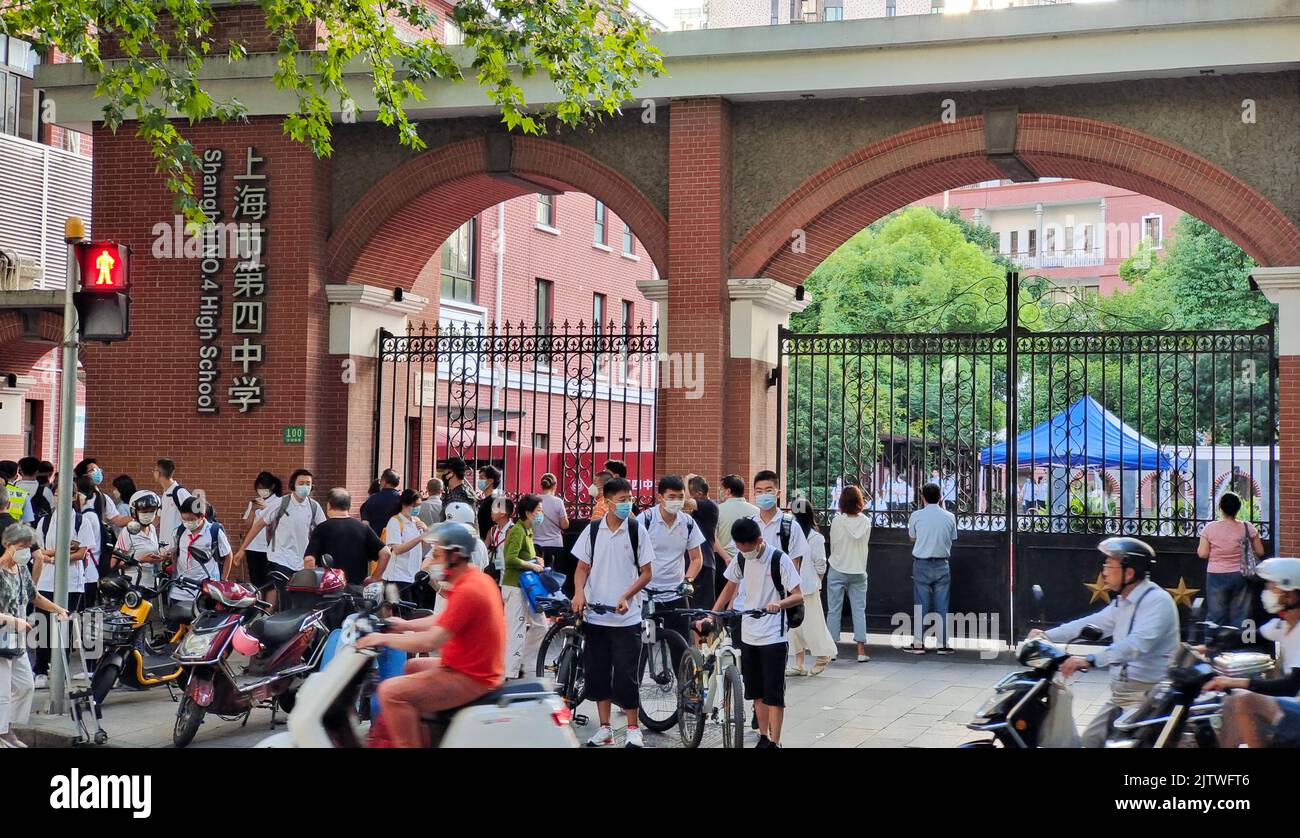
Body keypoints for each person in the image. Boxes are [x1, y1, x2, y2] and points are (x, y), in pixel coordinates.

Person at [358, 523, 506, 748]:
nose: (433, 561)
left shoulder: (469, 590)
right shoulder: (473, 579)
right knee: (412, 668)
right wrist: (403, 625)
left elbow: (432, 640)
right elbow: (444, 619)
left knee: (390, 692)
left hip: (472, 677)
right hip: (467, 667)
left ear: (455, 555)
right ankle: (430, 735)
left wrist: (383, 638)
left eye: (437, 555)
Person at [1029, 537, 1179, 748]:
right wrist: (1047, 636)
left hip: (1147, 697)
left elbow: (1136, 645)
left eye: (1110, 565)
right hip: (1120, 695)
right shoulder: (1123, 601)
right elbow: (1092, 622)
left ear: (1129, 572)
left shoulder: (1157, 601)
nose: (1104, 572)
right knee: (1090, 740)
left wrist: (1089, 660)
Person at [570, 476, 654, 748]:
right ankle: (605, 728)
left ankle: (633, 728)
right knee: (598, 674)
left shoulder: (636, 530)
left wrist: (627, 595)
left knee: (626, 676)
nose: (627, 504)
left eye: (629, 499)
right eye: (621, 500)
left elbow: (647, 573)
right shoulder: (593, 531)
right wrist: (579, 592)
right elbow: (582, 568)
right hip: (596, 616)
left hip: (627, 618)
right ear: (606, 502)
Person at [713, 516, 802, 748]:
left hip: (774, 634)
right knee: (756, 691)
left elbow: (798, 594)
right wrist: (713, 612)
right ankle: (763, 737)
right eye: (740, 548)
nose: (745, 552)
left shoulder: (779, 560)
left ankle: (775, 740)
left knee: (774, 693)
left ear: (759, 540)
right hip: (749, 632)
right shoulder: (742, 558)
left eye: (748, 548)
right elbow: (730, 584)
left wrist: (779, 604)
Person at [1205, 557, 1300, 748]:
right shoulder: (1283, 625)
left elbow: (1291, 686)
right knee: (1230, 702)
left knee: (1244, 699)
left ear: (1290, 594)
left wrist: (1235, 682)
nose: (1266, 592)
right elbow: (1246, 637)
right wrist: (1208, 647)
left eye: (1272, 586)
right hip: (1294, 705)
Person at [1, 524, 69, 747]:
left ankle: (9, 727)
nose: (26, 552)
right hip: (3, 636)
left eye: (28, 547)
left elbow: (35, 596)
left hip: (17, 639)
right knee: (2, 690)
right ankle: (3, 733)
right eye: (22, 547)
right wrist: (15, 621)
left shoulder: (21, 570)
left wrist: (58, 609)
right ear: (8, 545)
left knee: (25, 685)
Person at [31, 482, 97, 687]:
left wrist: (54, 554)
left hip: (72, 582)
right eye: (57, 494)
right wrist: (62, 552)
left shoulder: (81, 521)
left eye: (64, 494)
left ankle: (61, 666)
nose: (59, 498)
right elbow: (39, 552)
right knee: (43, 624)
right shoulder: (45, 521)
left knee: (66, 625)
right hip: (46, 579)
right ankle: (41, 669)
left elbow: (81, 552)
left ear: (74, 496)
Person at [234, 469, 324, 606]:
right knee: (285, 594)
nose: (305, 486)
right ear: (293, 484)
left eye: (308, 483)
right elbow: (258, 526)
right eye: (301, 483)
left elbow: (323, 530)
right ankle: (282, 620)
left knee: (300, 596)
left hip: (302, 559)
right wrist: (242, 549)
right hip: (280, 557)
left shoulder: (313, 506)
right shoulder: (281, 503)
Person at [639, 475, 705, 659]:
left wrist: (687, 580)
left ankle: (685, 686)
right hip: (647, 595)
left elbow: (696, 558)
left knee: (681, 646)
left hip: (676, 593)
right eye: (672, 496)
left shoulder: (688, 523)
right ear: (660, 497)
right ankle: (635, 685)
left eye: (681, 496)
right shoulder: (645, 520)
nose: (677, 501)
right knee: (645, 644)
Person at [1198, 492, 1266, 628]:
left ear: (1220, 508)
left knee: (1216, 615)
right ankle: (1237, 645)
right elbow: (1260, 552)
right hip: (1240, 574)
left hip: (1215, 575)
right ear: (1238, 508)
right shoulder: (1247, 527)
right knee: (1241, 614)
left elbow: (1203, 554)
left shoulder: (1210, 528)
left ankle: (1215, 644)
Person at [787, 497, 837, 676]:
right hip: (797, 586)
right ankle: (799, 663)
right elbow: (821, 564)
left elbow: (820, 563)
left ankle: (823, 655)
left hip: (806, 586)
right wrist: (819, 580)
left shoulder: (814, 537)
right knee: (794, 626)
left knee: (811, 624)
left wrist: (818, 582)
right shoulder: (803, 535)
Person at [500, 494, 547, 680]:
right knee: (515, 629)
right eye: (538, 511)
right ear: (528, 513)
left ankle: (522, 663)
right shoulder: (518, 530)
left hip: (527, 587)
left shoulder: (528, 531)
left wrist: (535, 560)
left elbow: (523, 556)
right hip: (515, 587)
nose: (541, 515)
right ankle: (509, 672)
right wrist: (532, 564)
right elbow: (510, 559)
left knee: (541, 626)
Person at [302, 488, 391, 586]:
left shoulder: (321, 529)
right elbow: (386, 553)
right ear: (349, 506)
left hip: (329, 591)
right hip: (357, 590)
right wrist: (375, 577)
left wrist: (311, 584)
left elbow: (309, 560)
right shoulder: (363, 528)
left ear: (329, 505)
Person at [828, 485, 871, 663]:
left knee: (833, 610)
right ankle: (861, 651)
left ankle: (831, 650)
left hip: (838, 567)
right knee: (859, 610)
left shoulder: (837, 521)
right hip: (858, 569)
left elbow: (833, 544)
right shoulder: (866, 521)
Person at [162, 497, 227, 609]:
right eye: (184, 519)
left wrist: (223, 580)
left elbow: (228, 555)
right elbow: (175, 549)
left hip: (205, 590)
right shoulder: (179, 531)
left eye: (191, 519)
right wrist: (169, 554)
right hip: (181, 588)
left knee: (202, 624)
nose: (187, 522)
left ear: (202, 516)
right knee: (178, 623)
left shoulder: (214, 532)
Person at [375, 489, 428, 600]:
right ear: (405, 504)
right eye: (415, 505)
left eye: (419, 505)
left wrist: (426, 531)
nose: (417, 508)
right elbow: (398, 549)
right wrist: (420, 538)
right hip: (398, 576)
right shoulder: (395, 521)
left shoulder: (416, 521)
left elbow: (426, 546)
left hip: (414, 574)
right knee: (401, 612)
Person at [715, 473, 759, 596]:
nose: (720, 492)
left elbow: (713, 538)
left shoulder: (718, 510)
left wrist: (726, 557)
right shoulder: (756, 511)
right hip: (750, 560)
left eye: (721, 489)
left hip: (723, 562)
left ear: (728, 491)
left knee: (723, 597)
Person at [240, 471, 282, 588]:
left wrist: (267, 508)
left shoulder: (279, 501)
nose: (261, 490)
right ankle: (257, 603)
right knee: (255, 581)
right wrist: (253, 510)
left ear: (272, 487)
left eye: (264, 488)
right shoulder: (254, 502)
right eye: (259, 488)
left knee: (269, 582)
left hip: (269, 548)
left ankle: (269, 606)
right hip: (253, 547)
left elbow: (280, 523)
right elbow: (248, 526)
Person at [113, 491, 163, 589]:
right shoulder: (128, 532)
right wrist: (140, 560)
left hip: (150, 585)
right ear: (134, 512)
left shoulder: (152, 529)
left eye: (151, 511)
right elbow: (114, 563)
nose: (148, 514)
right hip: (132, 585)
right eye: (144, 511)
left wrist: (161, 557)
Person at [532, 473, 572, 592]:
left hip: (536, 543)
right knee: (554, 578)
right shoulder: (557, 502)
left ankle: (539, 597)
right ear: (555, 486)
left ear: (541, 485)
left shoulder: (534, 501)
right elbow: (565, 525)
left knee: (538, 574)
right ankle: (554, 601)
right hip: (555, 544)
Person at [686, 475, 720, 610]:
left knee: (703, 611)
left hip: (704, 563)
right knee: (691, 609)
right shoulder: (700, 509)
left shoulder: (709, 506)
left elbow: (686, 501)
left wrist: (686, 479)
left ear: (699, 494)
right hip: (694, 562)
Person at [73, 474, 103, 610]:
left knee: (85, 614)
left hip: (88, 572)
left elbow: (75, 546)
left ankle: (87, 632)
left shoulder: (86, 517)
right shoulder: (88, 514)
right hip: (87, 573)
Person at [153, 459, 192, 552]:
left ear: (159, 473)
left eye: (154, 470)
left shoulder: (180, 492)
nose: (153, 473)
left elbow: (193, 516)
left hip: (178, 548)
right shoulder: (165, 493)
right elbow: (158, 518)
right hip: (164, 547)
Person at [361, 469, 401, 538]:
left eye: (381, 481)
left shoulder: (372, 499)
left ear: (384, 481)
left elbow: (365, 523)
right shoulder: (401, 499)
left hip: (376, 540)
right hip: (397, 539)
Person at [484, 496, 514, 585]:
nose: (491, 512)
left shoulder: (513, 531)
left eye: (494, 510)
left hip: (509, 576)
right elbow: (484, 548)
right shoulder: (493, 530)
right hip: (495, 570)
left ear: (502, 513)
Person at [475, 465, 502, 539]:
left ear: (490, 481)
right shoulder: (487, 499)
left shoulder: (494, 500)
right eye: (479, 478)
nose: (479, 481)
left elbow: (494, 526)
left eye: (482, 478)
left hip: (489, 544)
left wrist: (486, 545)